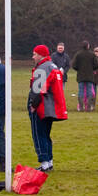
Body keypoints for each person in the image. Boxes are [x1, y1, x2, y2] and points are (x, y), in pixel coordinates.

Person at [28, 43, 68, 171]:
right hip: (51, 107)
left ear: (41, 55)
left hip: (41, 107)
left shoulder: (42, 68)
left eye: (34, 54)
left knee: (38, 134)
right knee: (46, 134)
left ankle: (44, 162)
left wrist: (33, 105)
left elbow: (37, 89)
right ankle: (49, 161)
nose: (32, 57)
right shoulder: (53, 66)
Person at [72, 41, 97, 112]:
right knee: (89, 91)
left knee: (81, 91)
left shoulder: (78, 54)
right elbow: (96, 65)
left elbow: (74, 65)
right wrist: (92, 69)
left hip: (81, 76)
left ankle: (81, 107)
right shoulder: (92, 54)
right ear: (88, 46)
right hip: (90, 76)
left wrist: (79, 70)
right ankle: (88, 108)